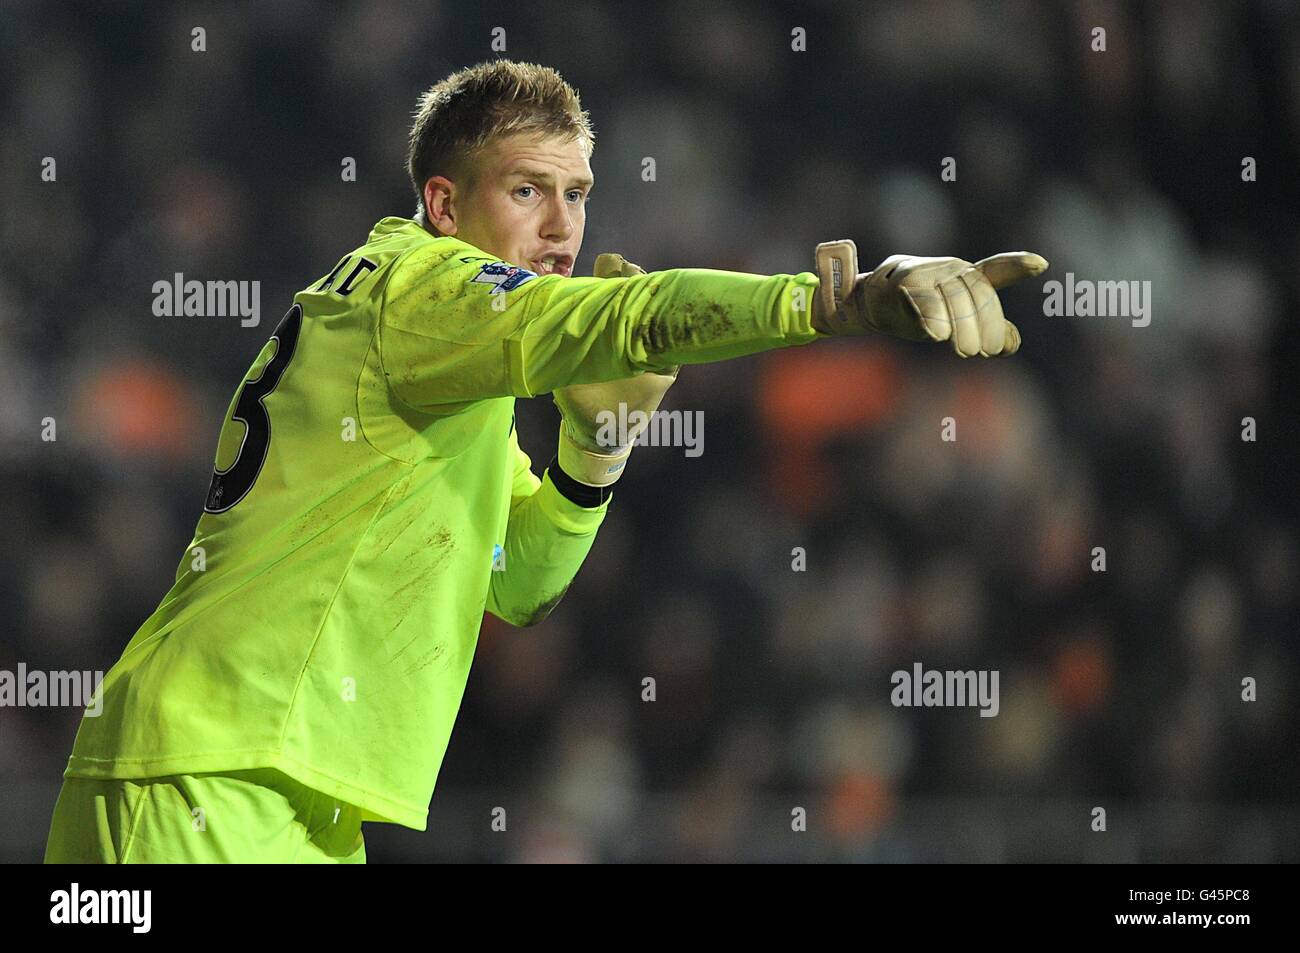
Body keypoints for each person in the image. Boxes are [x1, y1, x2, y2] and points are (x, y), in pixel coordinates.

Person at [45, 59, 1046, 863]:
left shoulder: (448, 377)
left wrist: (593, 446)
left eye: (576, 193)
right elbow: (623, 314)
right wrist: (832, 301)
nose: (564, 226)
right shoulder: (418, 285)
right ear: (444, 203)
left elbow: (519, 580)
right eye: (527, 190)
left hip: (283, 793)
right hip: (205, 772)